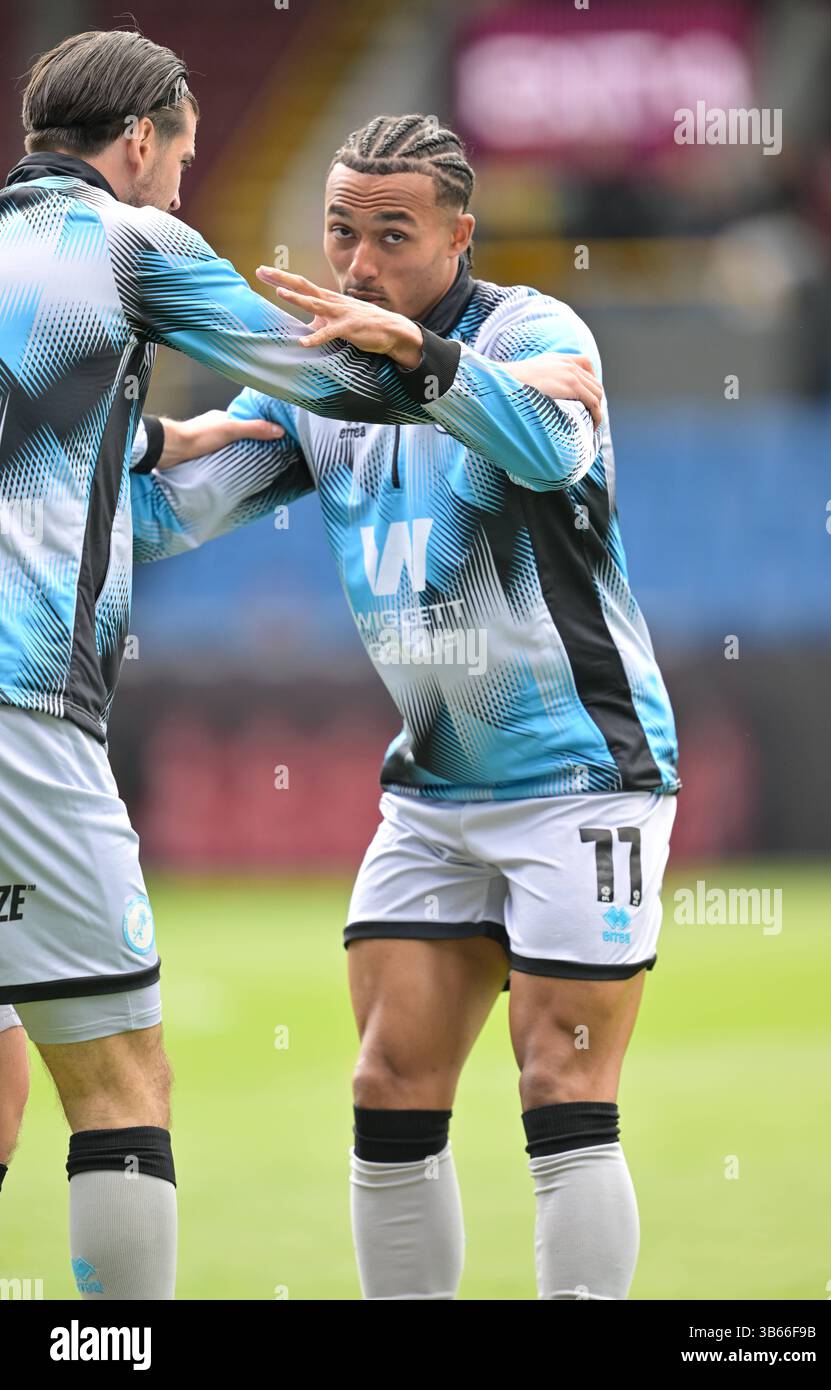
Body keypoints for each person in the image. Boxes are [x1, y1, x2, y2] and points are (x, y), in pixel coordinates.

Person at [114, 113, 678, 1300]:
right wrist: (100, 450)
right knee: (385, 1082)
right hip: (433, 788)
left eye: (390, 235)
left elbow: (547, 452)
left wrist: (419, 359)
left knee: (559, 1084)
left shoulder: (533, 332)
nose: (357, 264)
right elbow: (169, 521)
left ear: (459, 235)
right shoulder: (322, 378)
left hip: (580, 773)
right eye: (338, 232)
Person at [0, 33, 519, 1301]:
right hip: (18, 705)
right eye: (180, 156)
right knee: (118, 1079)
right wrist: (473, 371)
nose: (183, 183)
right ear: (136, 144)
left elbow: (41, 413)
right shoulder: (128, 244)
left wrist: (164, 431)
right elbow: (336, 381)